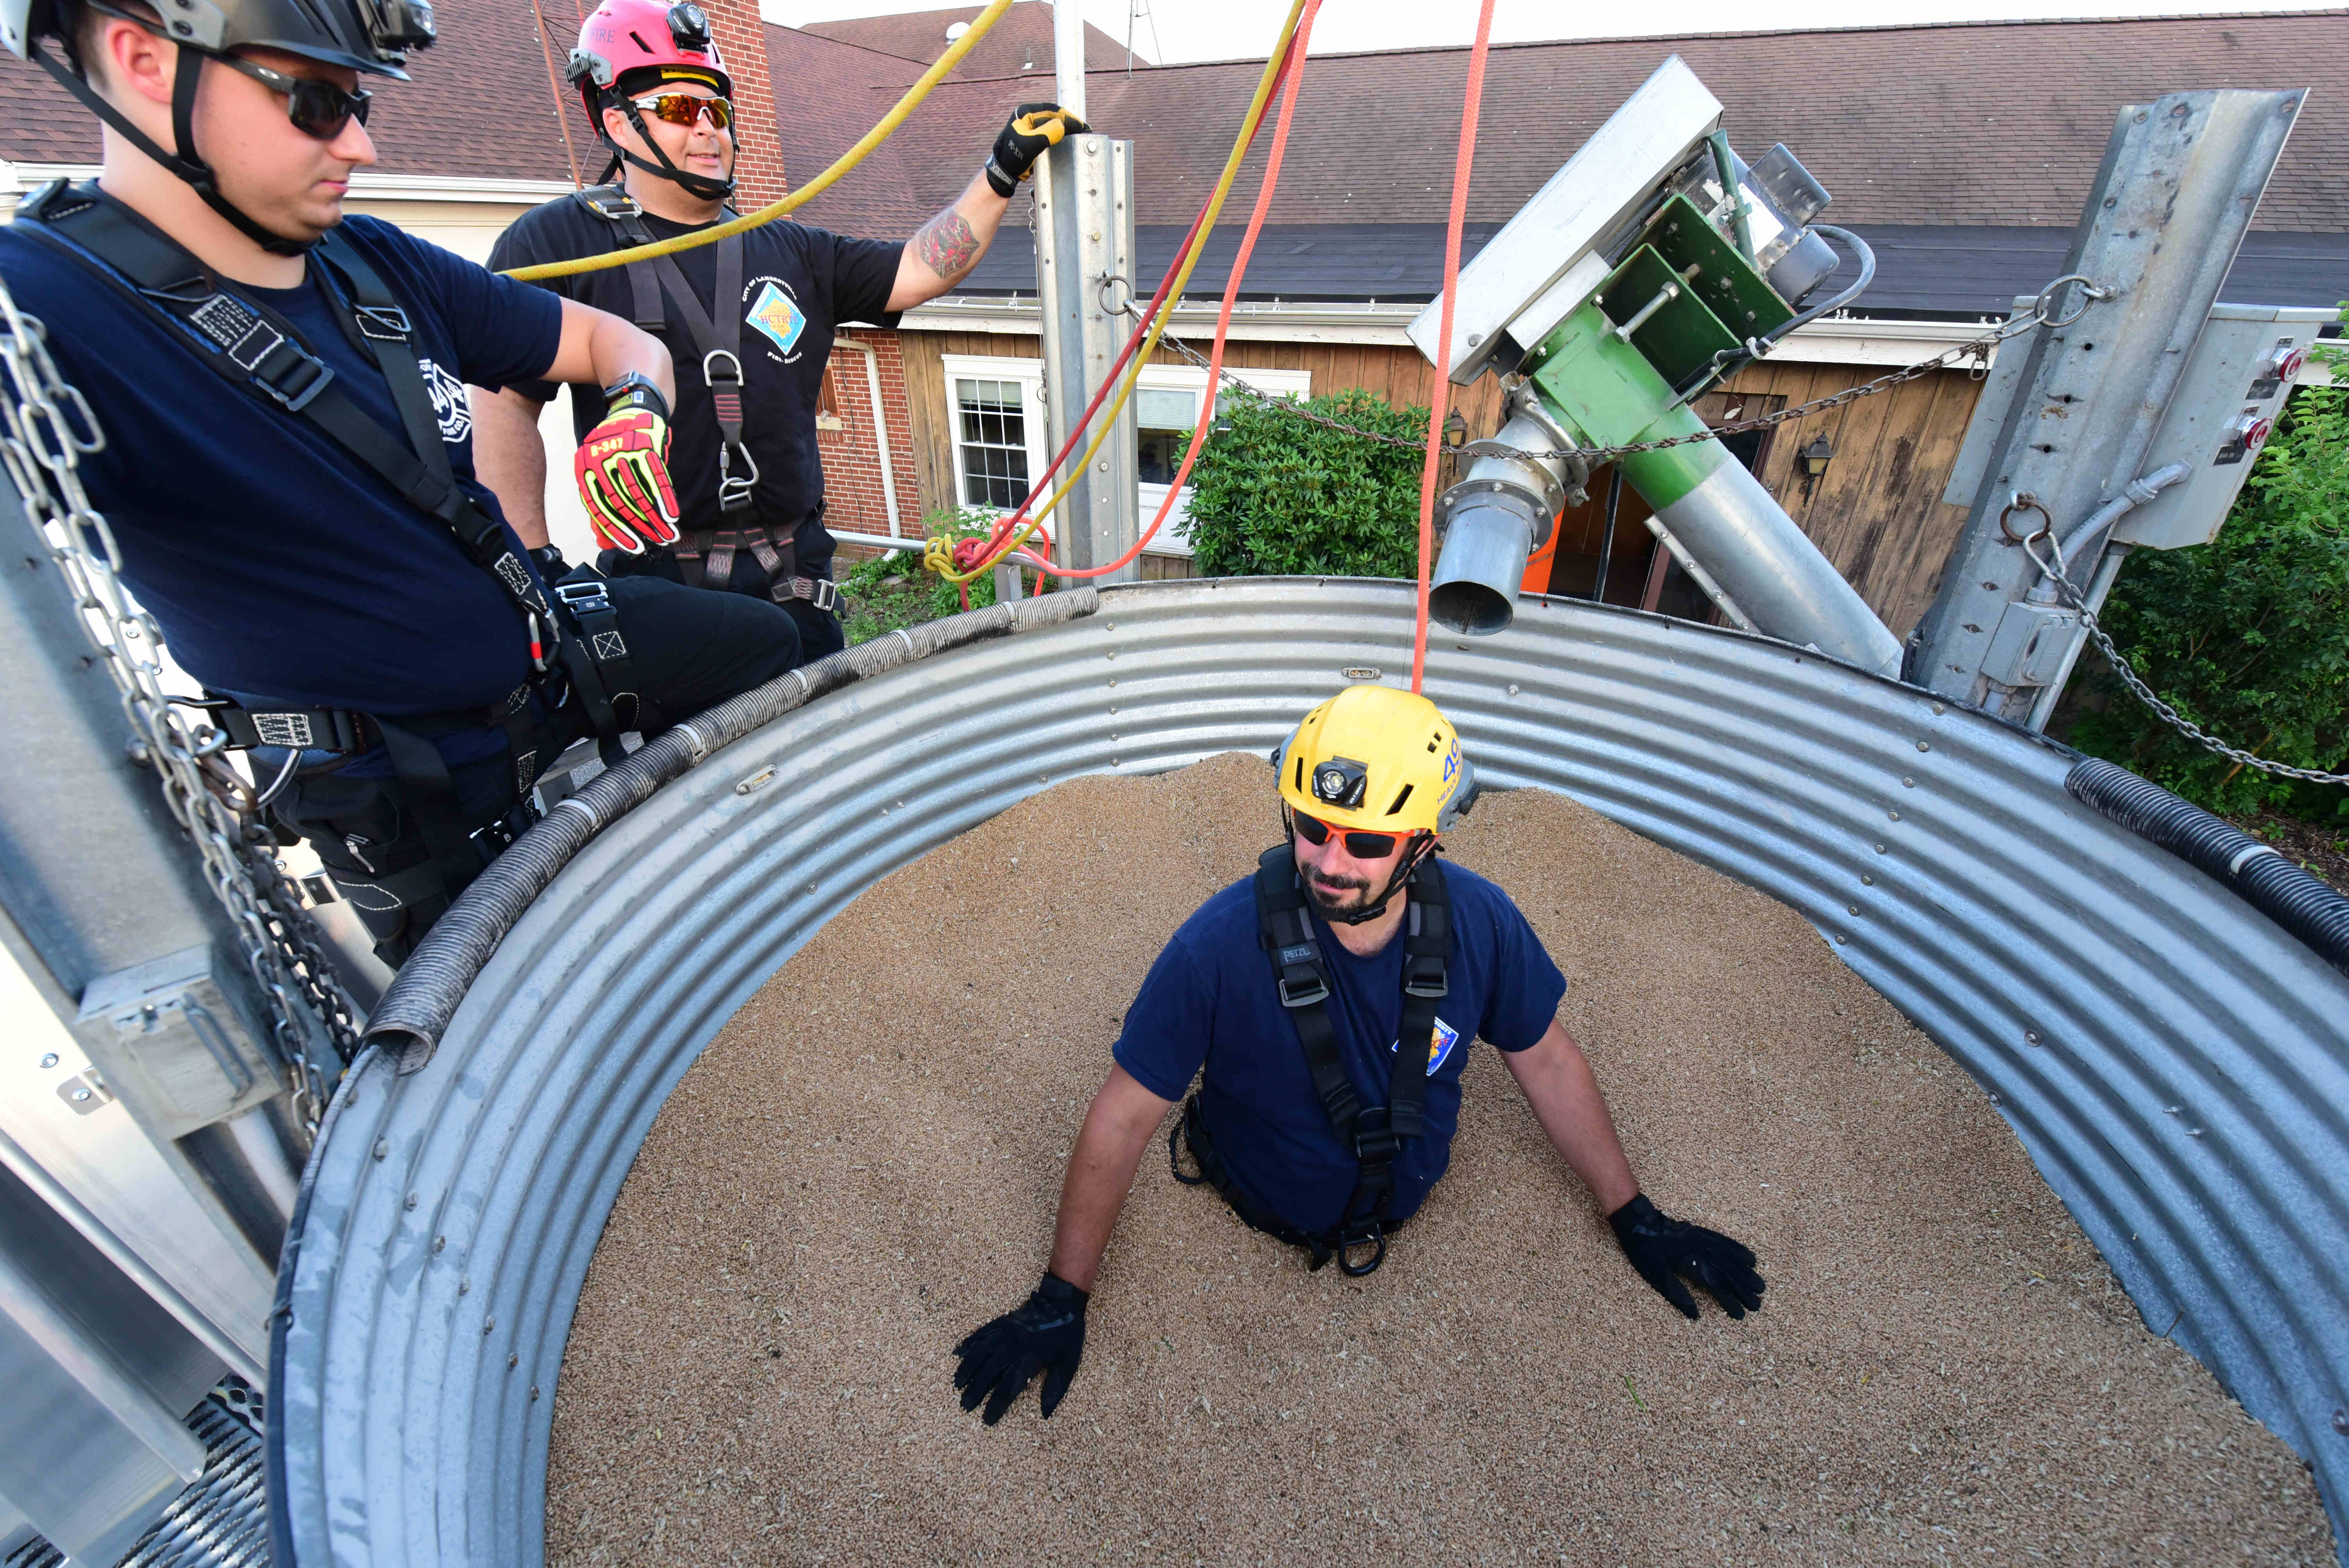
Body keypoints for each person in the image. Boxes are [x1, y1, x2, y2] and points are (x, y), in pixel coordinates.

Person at [0, 0, 805, 964]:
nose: (360, 146)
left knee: (770, 645)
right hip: (399, 777)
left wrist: (636, 406)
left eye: (358, 106)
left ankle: (728, 896)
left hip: (546, 656)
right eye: (314, 102)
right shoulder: (45, 313)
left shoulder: (368, 260)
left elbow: (608, 341)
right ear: (142, 60)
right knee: (530, 997)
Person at [952, 686, 1767, 1425]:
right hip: (1255, 1218)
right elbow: (1123, 1117)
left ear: (1423, 841)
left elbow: (1547, 1062)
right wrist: (1062, 1295)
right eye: (1312, 828)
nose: (1329, 862)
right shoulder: (1215, 948)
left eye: (1366, 841)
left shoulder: (1482, 923)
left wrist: (1633, 1213)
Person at [474, 0, 1081, 664]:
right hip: (664, 594)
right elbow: (503, 406)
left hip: (796, 582)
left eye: (718, 111)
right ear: (618, 122)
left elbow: (918, 269)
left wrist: (1000, 173)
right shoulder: (558, 246)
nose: (708, 129)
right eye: (679, 109)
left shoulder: (789, 249)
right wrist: (534, 567)